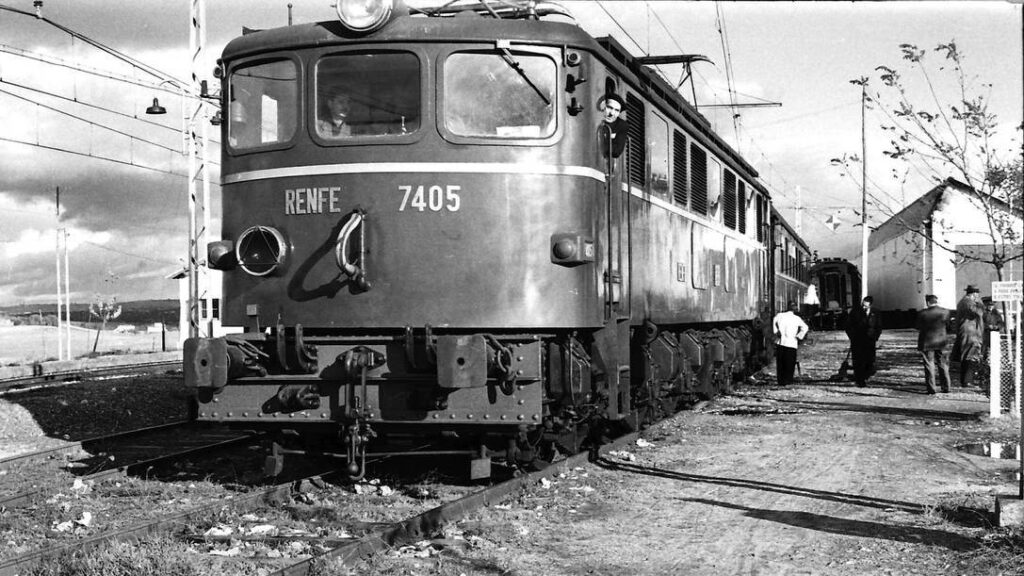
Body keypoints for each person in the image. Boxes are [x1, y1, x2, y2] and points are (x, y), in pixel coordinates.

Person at [916, 294, 951, 394]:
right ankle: (946, 387)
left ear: (927, 302)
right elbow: (949, 327)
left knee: (929, 365)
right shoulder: (945, 312)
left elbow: (917, 326)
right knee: (943, 363)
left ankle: (931, 389)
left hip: (927, 342)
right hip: (941, 341)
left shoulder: (922, 313)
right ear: (936, 301)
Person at [951, 284, 985, 387]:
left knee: (968, 355)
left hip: (969, 332)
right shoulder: (968, 302)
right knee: (970, 356)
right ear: (974, 294)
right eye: (977, 294)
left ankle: (965, 380)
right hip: (970, 333)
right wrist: (980, 303)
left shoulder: (964, 301)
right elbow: (979, 312)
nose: (978, 296)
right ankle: (967, 381)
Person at [845, 296, 882, 387]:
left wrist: (875, 337)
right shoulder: (855, 312)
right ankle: (859, 380)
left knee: (869, 360)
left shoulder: (876, 312)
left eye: (866, 306)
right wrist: (852, 337)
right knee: (858, 361)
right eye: (863, 304)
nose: (864, 307)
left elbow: (879, 326)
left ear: (870, 305)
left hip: (870, 340)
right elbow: (848, 326)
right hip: (857, 340)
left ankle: (865, 376)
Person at [773, 301, 809, 386]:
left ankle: (781, 381)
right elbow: (805, 327)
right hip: (792, 343)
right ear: (794, 308)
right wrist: (799, 336)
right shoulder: (797, 318)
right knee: (790, 363)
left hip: (780, 342)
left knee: (780, 363)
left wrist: (776, 332)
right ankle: (788, 380)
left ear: (787, 307)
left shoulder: (779, 315)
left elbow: (774, 322)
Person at [597, 93, 628, 159]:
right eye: (609, 107)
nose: (612, 113)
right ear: (602, 107)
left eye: (617, 110)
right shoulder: (596, 120)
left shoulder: (622, 125)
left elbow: (616, 151)